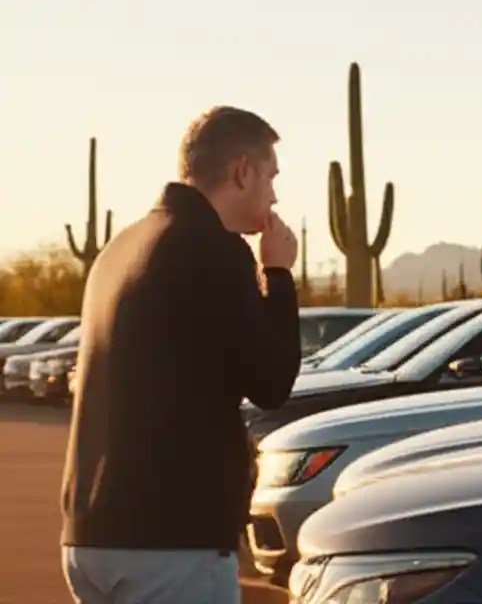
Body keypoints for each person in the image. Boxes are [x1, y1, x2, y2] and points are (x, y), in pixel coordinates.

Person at [60, 106, 302, 603]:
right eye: (270, 176)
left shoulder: (119, 249)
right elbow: (272, 382)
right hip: (169, 545)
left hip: (90, 537)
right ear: (242, 172)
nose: (274, 194)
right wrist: (276, 275)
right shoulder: (211, 249)